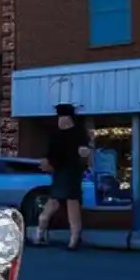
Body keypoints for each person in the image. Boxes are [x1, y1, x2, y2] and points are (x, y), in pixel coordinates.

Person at [34, 103, 91, 250]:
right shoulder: (67, 134)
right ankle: (69, 236)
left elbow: (84, 151)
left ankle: (69, 237)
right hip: (65, 172)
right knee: (63, 202)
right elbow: (51, 154)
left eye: (63, 117)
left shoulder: (72, 134)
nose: (61, 120)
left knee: (64, 202)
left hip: (68, 172)